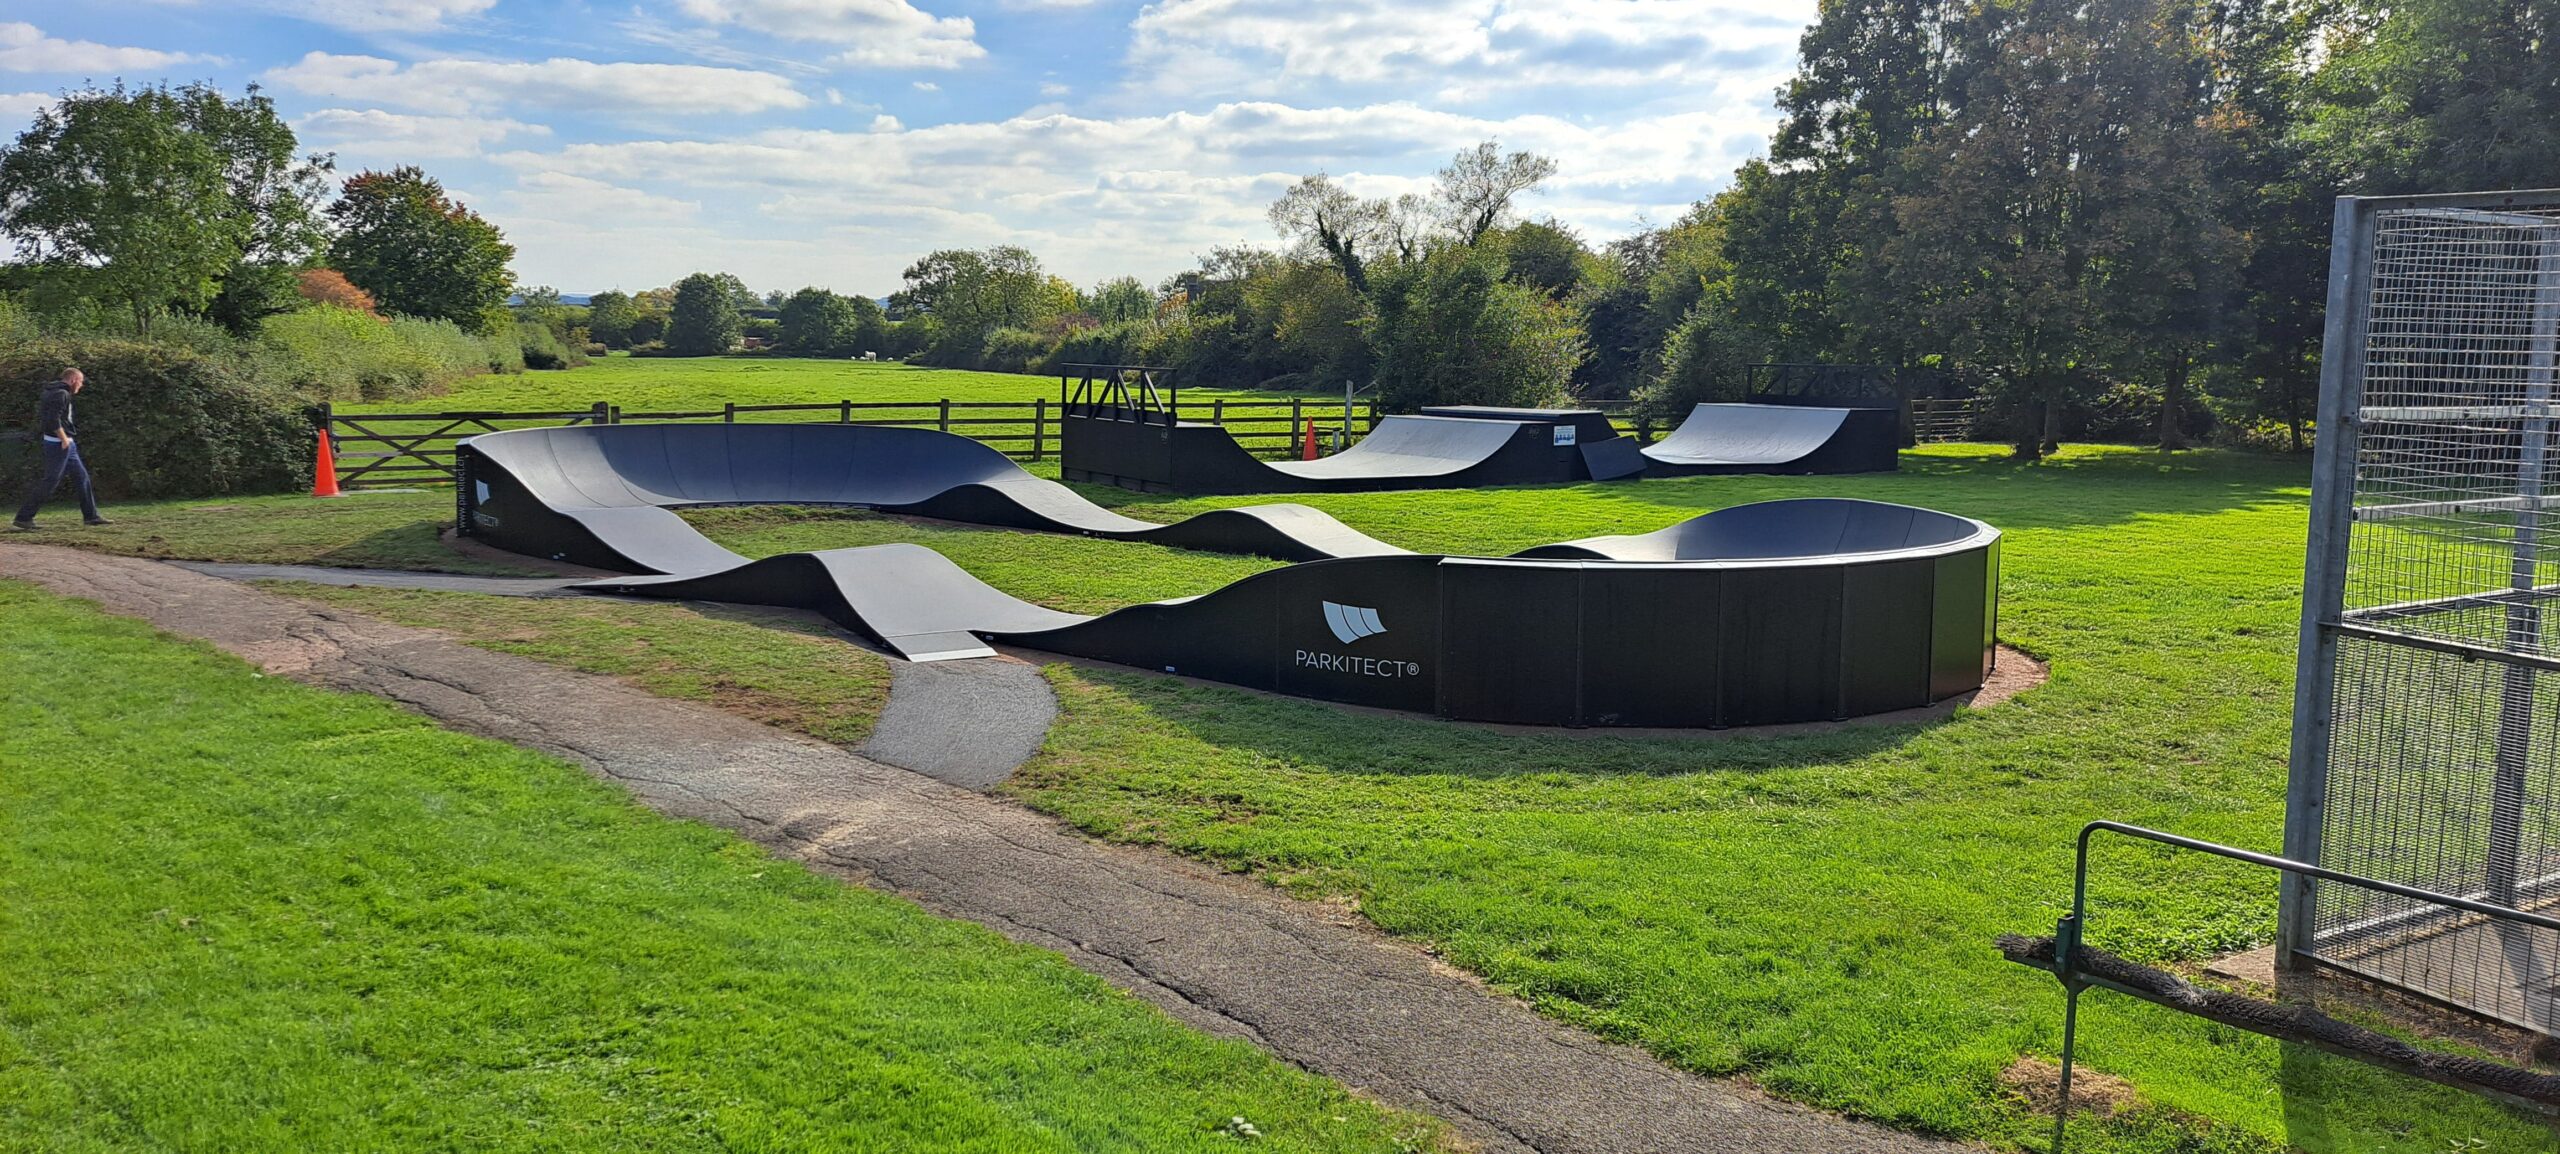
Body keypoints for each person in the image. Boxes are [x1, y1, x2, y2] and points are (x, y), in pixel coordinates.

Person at [11, 366, 108, 531]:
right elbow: (52, 419)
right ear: (73, 380)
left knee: (82, 478)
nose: (81, 385)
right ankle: (24, 518)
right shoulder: (61, 394)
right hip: (59, 444)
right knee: (50, 481)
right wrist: (63, 439)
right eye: (80, 381)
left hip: (66, 443)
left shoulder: (54, 391)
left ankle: (91, 516)